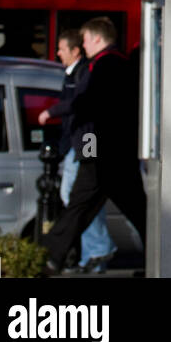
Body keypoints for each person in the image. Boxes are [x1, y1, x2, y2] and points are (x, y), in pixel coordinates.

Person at [43, 17, 146, 275]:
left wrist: (86, 152)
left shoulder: (104, 65)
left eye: (87, 39)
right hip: (109, 149)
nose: (84, 44)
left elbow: (89, 106)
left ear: (98, 39)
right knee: (91, 202)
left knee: (81, 201)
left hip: (101, 149)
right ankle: (53, 256)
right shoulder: (110, 63)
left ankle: (51, 257)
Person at [39, 28, 116, 274]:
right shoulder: (75, 73)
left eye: (61, 48)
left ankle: (99, 247)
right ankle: (93, 253)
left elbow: (82, 110)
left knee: (78, 195)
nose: (57, 53)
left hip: (87, 142)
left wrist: (51, 112)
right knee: (79, 196)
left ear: (74, 51)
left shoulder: (84, 72)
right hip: (81, 142)